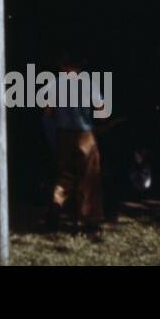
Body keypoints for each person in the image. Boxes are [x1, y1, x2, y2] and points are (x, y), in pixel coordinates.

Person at [46, 52, 105, 238]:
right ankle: (89, 222)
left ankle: (55, 208)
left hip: (63, 135)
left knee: (64, 175)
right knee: (89, 179)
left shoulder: (55, 84)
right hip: (84, 134)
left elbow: (48, 113)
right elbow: (102, 110)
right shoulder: (88, 84)